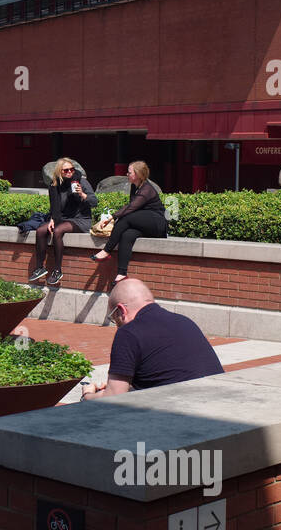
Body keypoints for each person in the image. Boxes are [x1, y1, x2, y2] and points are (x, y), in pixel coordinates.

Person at [82, 279, 223, 399]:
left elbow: (113, 397)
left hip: (183, 417)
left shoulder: (128, 333)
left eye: (115, 320)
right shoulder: (184, 321)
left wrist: (87, 396)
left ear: (121, 310)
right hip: (218, 405)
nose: (118, 327)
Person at [93, 161, 166, 284]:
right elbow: (131, 206)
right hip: (144, 223)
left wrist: (112, 217)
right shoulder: (135, 186)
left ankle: (107, 250)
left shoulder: (147, 189)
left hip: (156, 223)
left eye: (129, 172)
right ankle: (122, 274)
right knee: (127, 235)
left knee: (126, 218)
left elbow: (131, 207)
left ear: (137, 174)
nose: (127, 174)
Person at [30, 157, 96, 288]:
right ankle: (40, 267)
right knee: (41, 230)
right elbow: (55, 207)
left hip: (81, 219)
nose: (69, 172)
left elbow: (94, 202)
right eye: (66, 170)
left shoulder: (81, 182)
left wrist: (82, 194)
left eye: (71, 169)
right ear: (60, 171)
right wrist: (52, 219)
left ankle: (57, 270)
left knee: (58, 231)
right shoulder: (54, 185)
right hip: (63, 218)